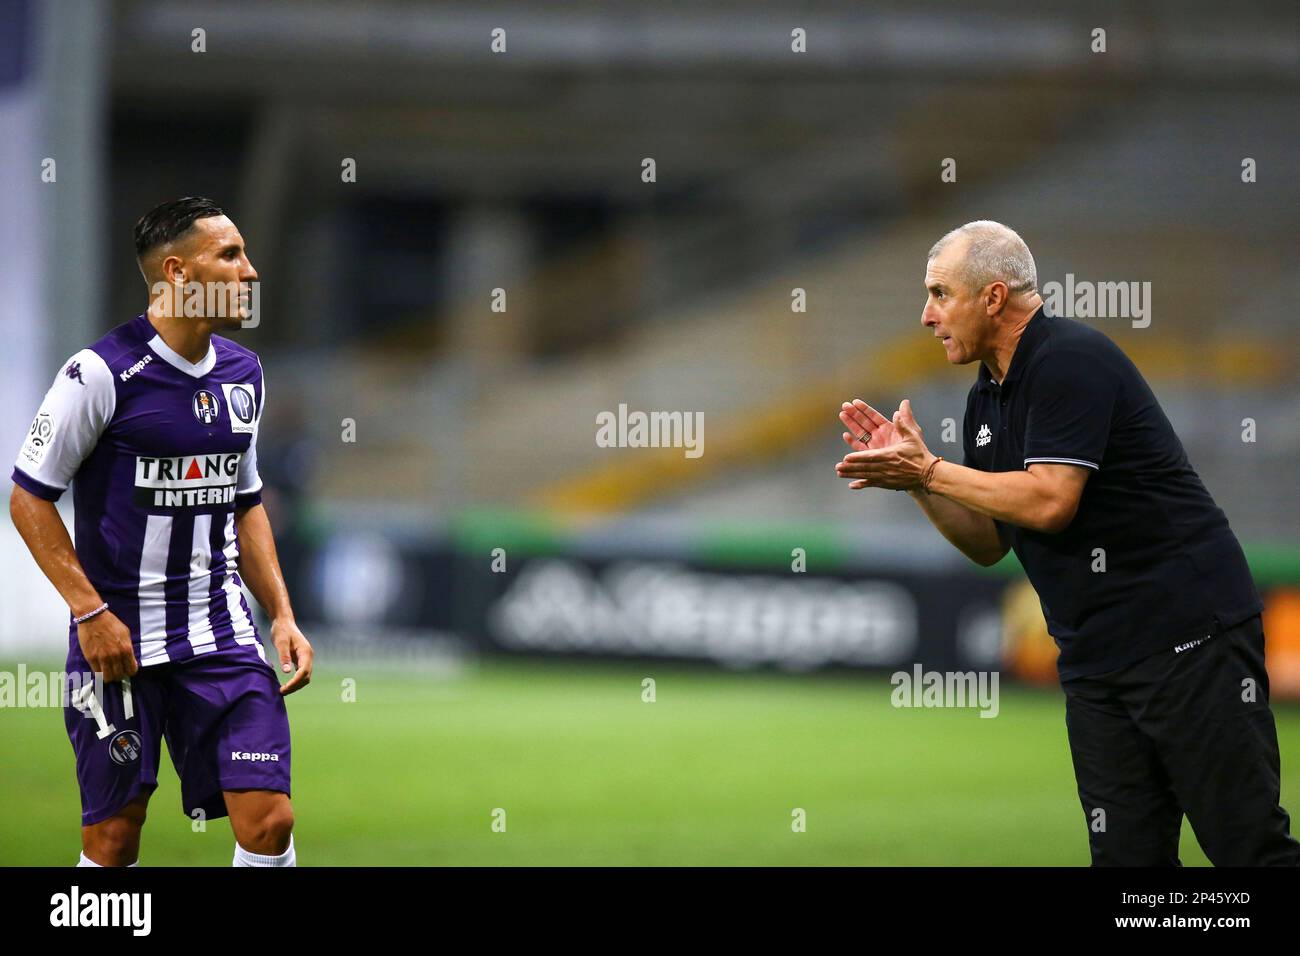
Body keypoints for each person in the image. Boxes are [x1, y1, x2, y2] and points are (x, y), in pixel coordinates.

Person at [836, 220, 1299, 866]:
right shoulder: (987, 399)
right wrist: (916, 481)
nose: (926, 315)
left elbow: (1051, 501)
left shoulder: (1068, 360)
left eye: (940, 293)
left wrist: (931, 471)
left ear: (993, 297)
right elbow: (990, 542)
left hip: (1187, 639)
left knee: (1248, 851)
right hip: (1096, 664)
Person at [9, 196, 313, 867]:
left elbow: (246, 501)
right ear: (176, 272)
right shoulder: (98, 375)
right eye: (230, 255)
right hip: (120, 642)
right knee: (113, 838)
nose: (251, 272)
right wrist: (89, 612)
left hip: (222, 636)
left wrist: (283, 614)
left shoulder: (244, 374)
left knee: (270, 823)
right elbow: (28, 500)